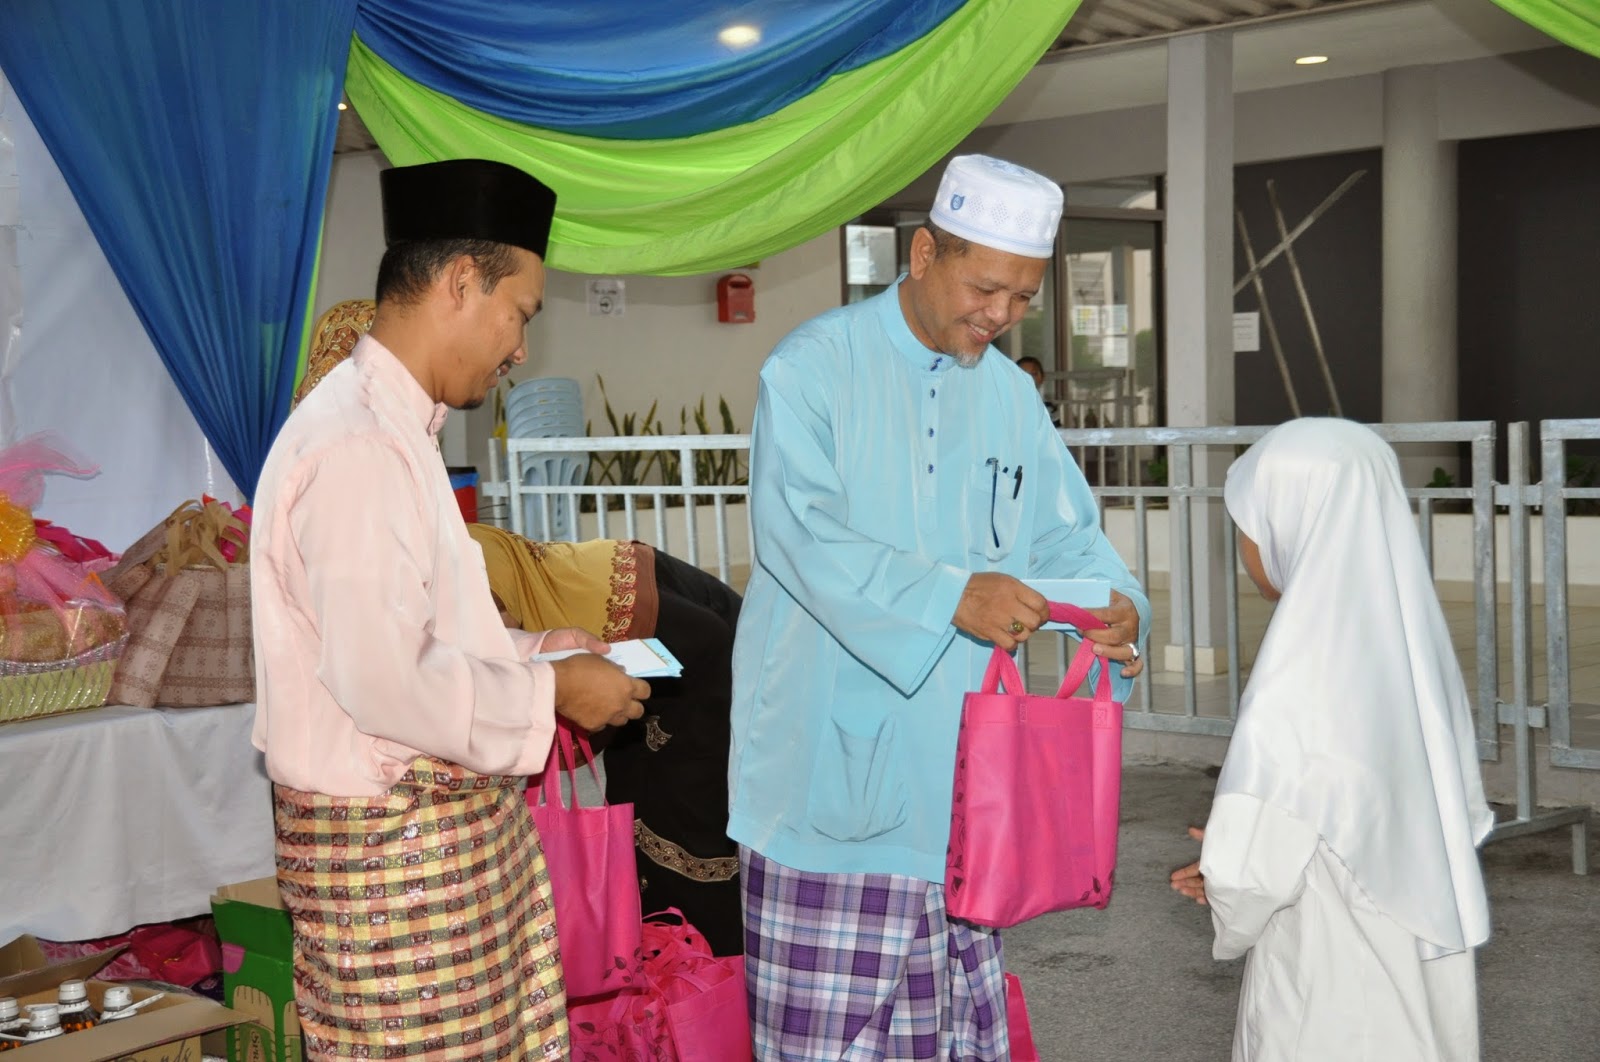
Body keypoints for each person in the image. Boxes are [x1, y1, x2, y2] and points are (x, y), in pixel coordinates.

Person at [729, 154, 1149, 1060]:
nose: (1000, 315)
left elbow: (1065, 535)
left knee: (950, 1036)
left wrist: (1121, 604)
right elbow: (800, 535)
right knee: (824, 1043)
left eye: (1022, 297)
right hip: (826, 778)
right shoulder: (813, 367)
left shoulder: (1009, 392)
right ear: (923, 254)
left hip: (966, 779)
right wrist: (950, 596)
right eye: (985, 288)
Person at [252, 158, 650, 1061]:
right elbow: (385, 681)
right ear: (461, 283)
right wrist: (554, 691)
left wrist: (537, 652)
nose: (521, 350)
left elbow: (417, 635)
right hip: (396, 863)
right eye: (522, 314)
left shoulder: (395, 430)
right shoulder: (358, 446)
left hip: (437, 851)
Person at [296, 300, 749, 957]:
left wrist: (547, 661)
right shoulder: (354, 499)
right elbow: (425, 670)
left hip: (627, 603)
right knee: (679, 748)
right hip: (624, 604)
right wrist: (552, 680)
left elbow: (470, 650)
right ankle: (678, 927)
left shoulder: (403, 504)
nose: (517, 353)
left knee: (695, 731)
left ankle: (679, 929)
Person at [1168, 418, 1493, 1061]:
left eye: (1249, 523)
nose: (1247, 544)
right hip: (1416, 944)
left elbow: (1265, 855)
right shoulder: (1411, 639)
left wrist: (1227, 867)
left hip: (1331, 975)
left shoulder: (1303, 660)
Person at [1015, 355, 1062, 426]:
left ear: (1042, 377)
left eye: (1034, 374)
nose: (1029, 378)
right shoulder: (1004, 404)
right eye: (1022, 374)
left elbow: (1056, 430)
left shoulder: (1048, 408)